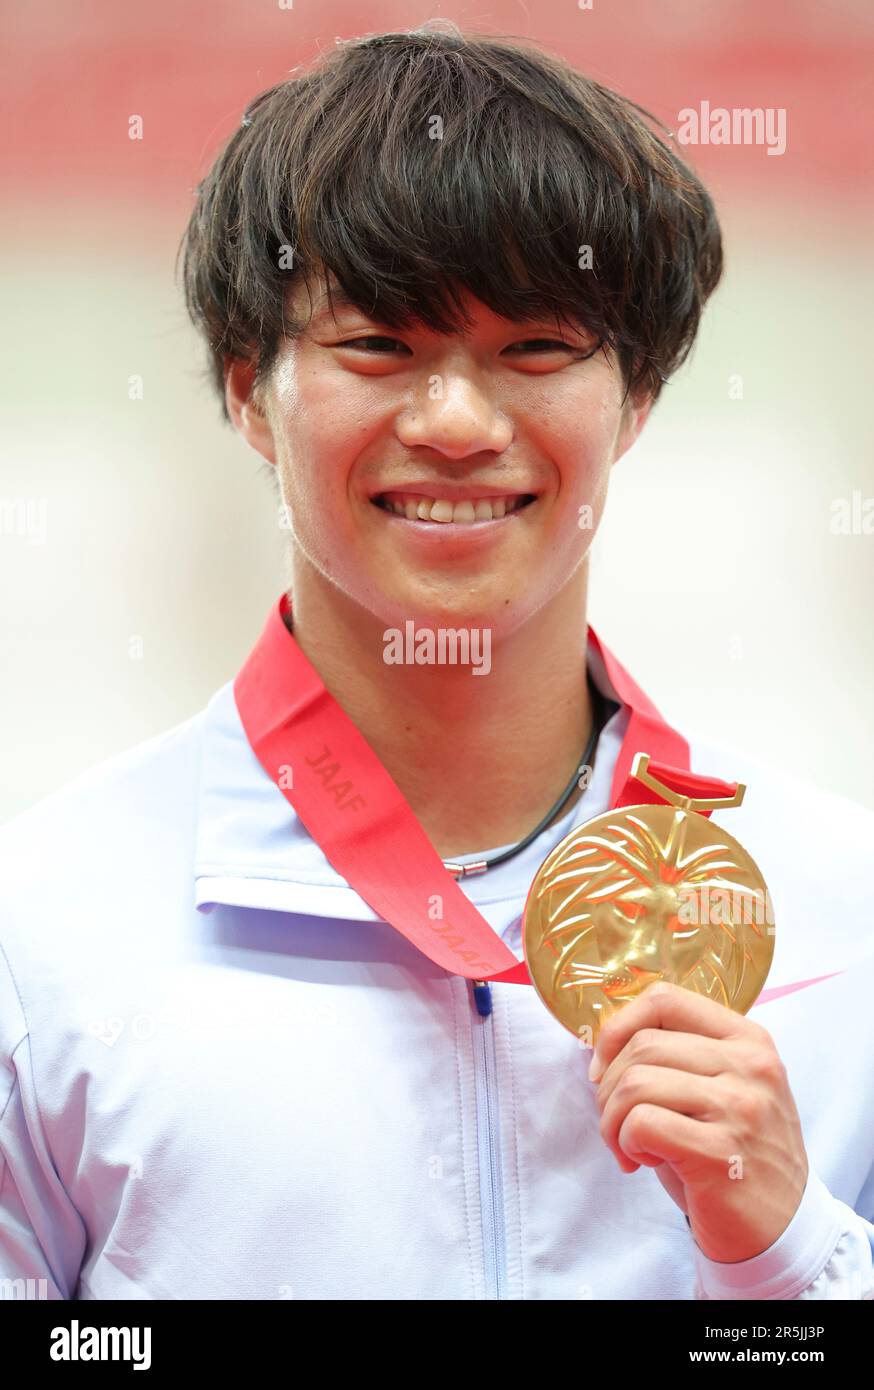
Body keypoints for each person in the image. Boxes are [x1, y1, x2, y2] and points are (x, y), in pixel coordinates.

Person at [1, 25, 872, 1302]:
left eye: (534, 350)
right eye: (376, 348)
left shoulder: (842, 912)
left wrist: (795, 1257)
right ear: (247, 389)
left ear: (636, 399)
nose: (456, 424)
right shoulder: (43, 931)